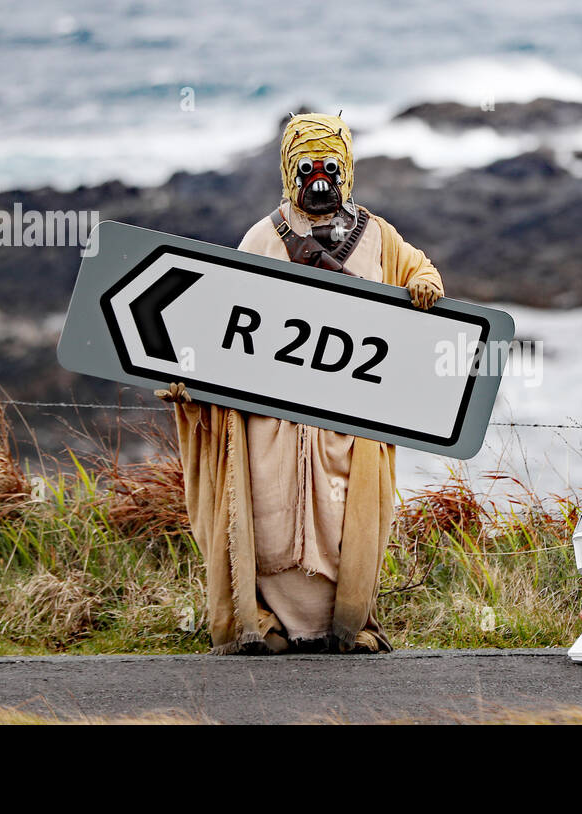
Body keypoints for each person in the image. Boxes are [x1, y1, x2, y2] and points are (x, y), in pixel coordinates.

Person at [157, 113, 444, 654]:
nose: (320, 179)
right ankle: (269, 624)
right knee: (266, 516)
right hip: (274, 427)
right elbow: (219, 318)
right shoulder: (262, 238)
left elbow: (417, 270)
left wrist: (425, 282)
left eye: (330, 167)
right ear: (291, 169)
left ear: (347, 169)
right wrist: (187, 377)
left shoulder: (379, 236)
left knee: (345, 523)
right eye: (308, 167)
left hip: (348, 425)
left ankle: (344, 624)